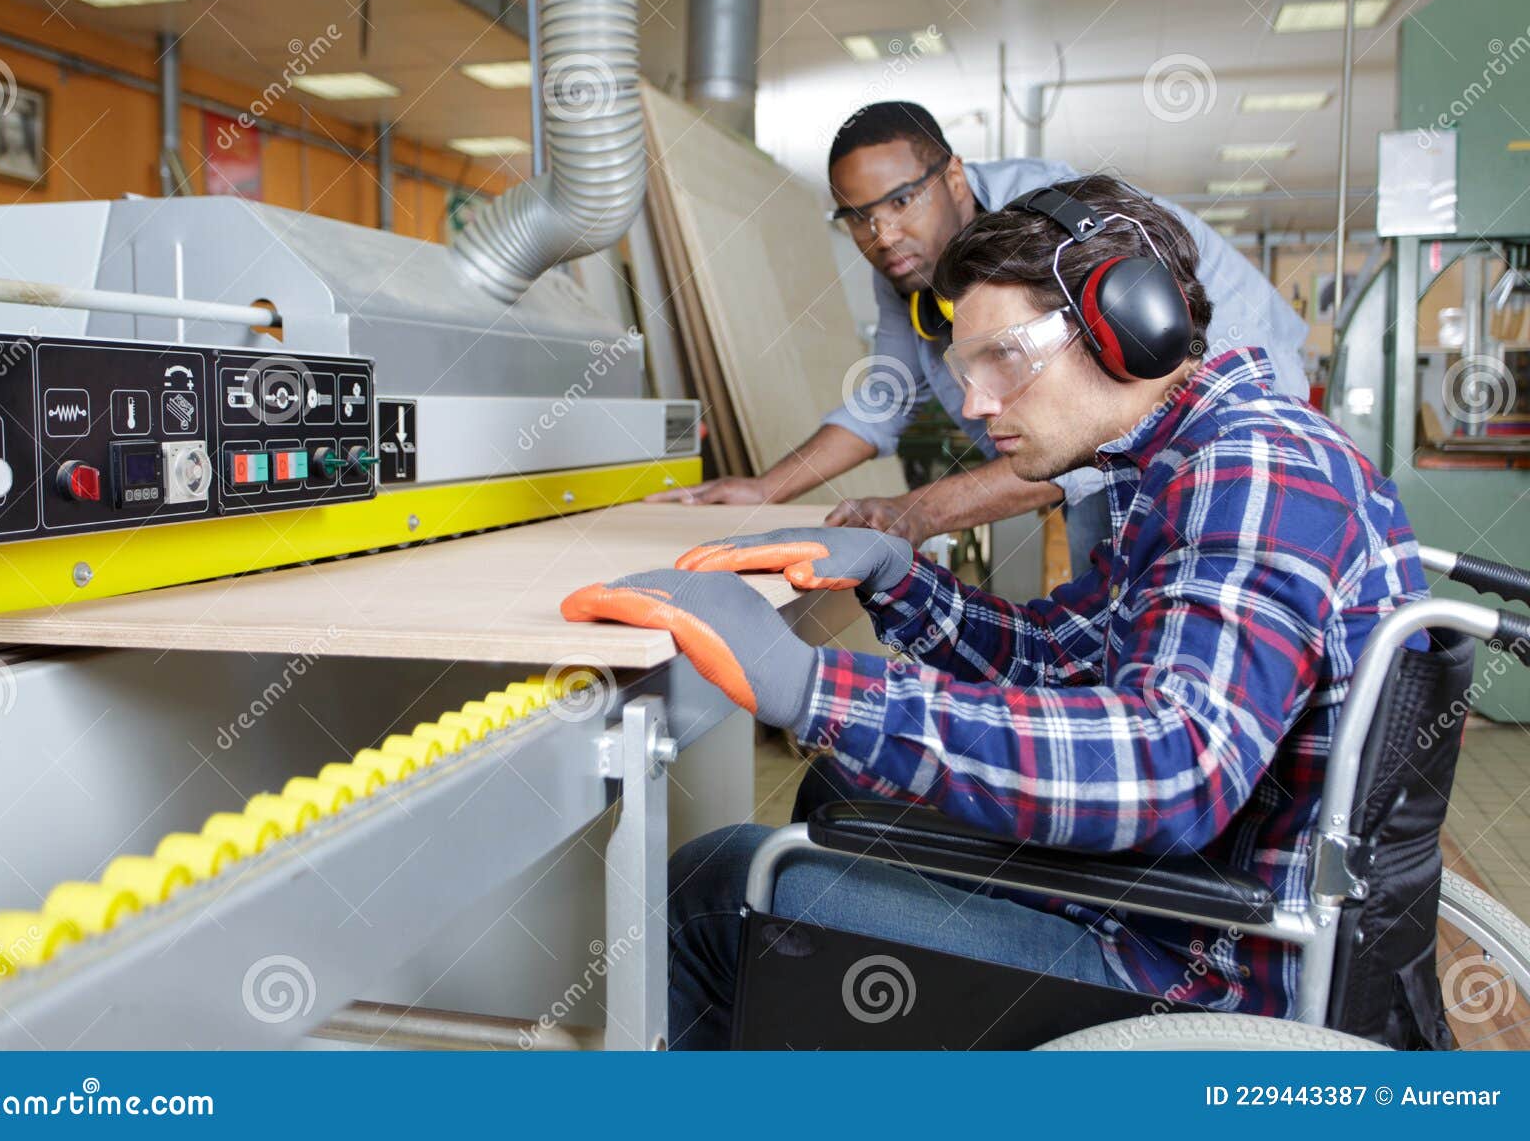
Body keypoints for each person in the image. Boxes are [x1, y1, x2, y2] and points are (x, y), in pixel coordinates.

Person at [563, 175, 1427, 1049]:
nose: (975, 405)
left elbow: (1176, 766)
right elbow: (1061, 650)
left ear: (1124, 327)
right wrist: (899, 582)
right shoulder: (1180, 463)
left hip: (1193, 972)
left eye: (1002, 358)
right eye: (965, 370)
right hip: (1169, 897)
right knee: (840, 787)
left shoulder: (1256, 472)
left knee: (713, 888)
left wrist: (817, 686)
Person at [645, 101, 1311, 577]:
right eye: (858, 217)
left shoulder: (1046, 227)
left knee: (1184, 594)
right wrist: (766, 489)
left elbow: (1074, 430)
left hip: (1230, 400)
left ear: (954, 178)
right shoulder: (909, 268)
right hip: (1106, 447)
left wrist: (915, 511)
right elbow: (886, 397)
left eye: (900, 200)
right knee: (1102, 615)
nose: (881, 235)